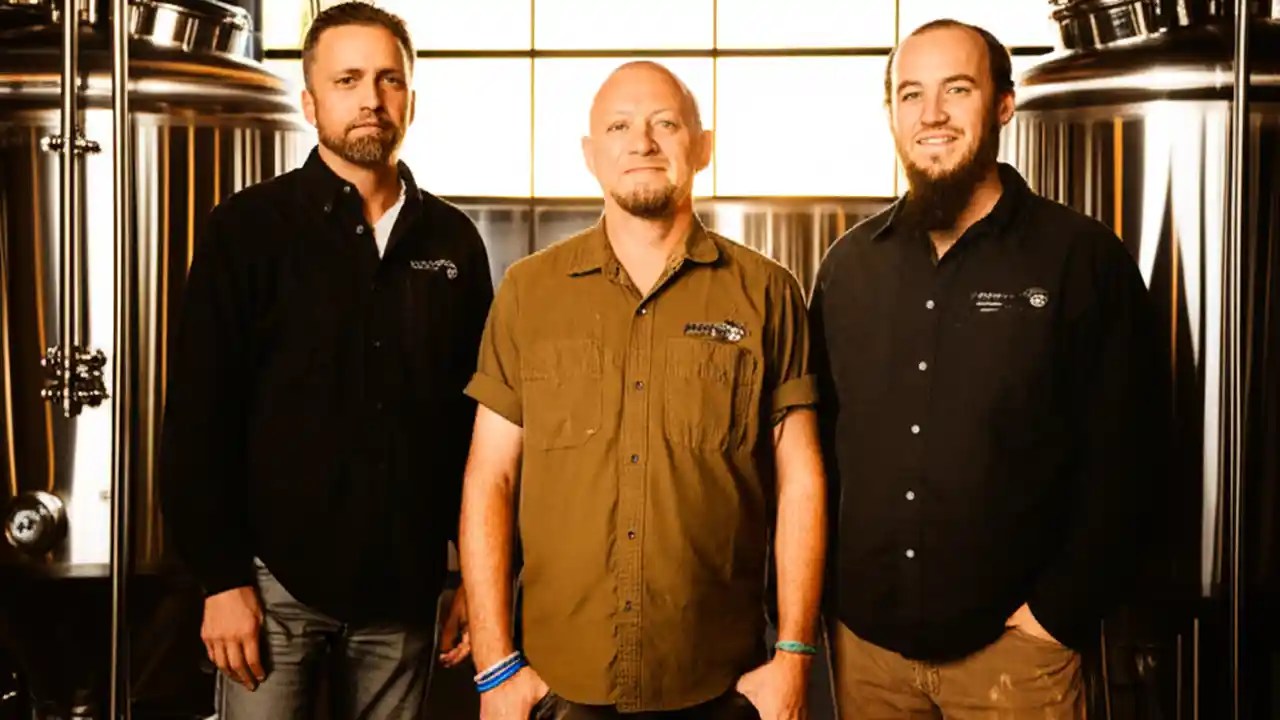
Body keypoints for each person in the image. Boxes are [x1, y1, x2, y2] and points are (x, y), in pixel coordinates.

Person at [810, 19, 1166, 719]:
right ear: (892, 113)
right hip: (868, 657)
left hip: (1018, 658)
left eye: (957, 89)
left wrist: (1054, 616)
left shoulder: (1081, 260)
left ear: (1004, 104)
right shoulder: (848, 268)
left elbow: (1133, 457)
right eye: (911, 94)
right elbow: (817, 447)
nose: (931, 114)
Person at [457, 61, 827, 720]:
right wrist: (495, 668)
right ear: (590, 153)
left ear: (703, 144)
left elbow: (799, 476)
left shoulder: (769, 292)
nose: (642, 142)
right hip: (558, 681)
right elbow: (492, 476)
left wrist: (794, 654)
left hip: (720, 681)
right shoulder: (528, 292)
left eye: (665, 123)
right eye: (619, 126)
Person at [158, 3, 490, 716]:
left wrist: (474, 575)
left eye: (388, 79)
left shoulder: (455, 242)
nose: (371, 99)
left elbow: (476, 428)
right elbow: (197, 419)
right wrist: (220, 581)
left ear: (411, 97)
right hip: (271, 587)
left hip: (404, 593)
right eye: (347, 80)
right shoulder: (246, 230)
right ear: (310, 102)